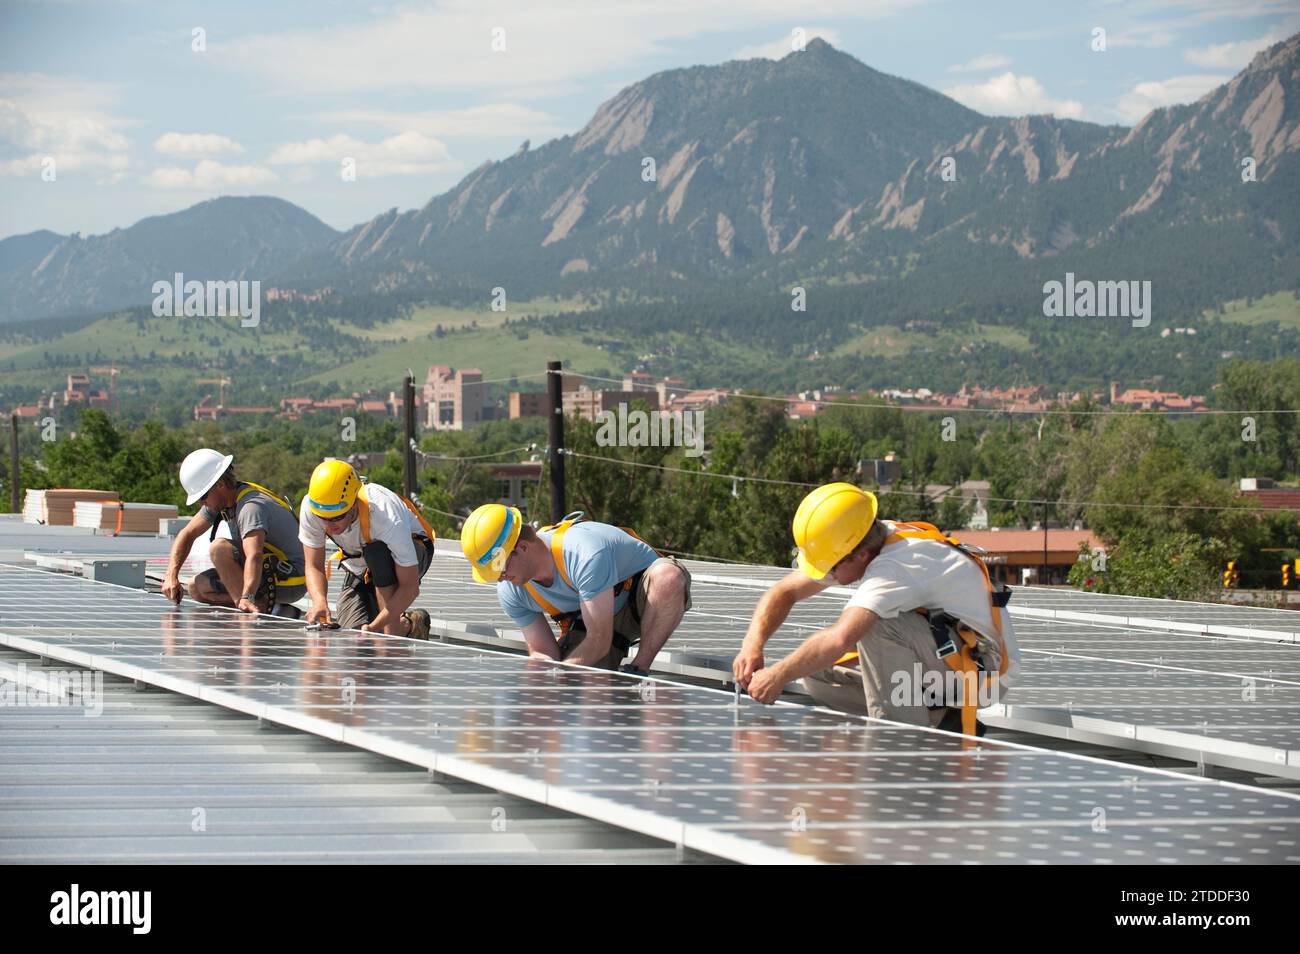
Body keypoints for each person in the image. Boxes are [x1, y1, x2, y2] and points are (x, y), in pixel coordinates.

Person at [733, 482, 1020, 736]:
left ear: (861, 555)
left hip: (984, 673)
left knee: (875, 625)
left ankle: (899, 742)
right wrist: (752, 645)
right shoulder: (862, 535)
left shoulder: (894, 567)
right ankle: (942, 718)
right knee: (816, 673)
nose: (826, 575)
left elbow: (839, 639)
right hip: (947, 657)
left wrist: (777, 675)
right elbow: (784, 591)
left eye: (830, 568)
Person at [459, 505, 690, 673]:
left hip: (641, 600)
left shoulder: (582, 553)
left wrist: (561, 674)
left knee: (668, 577)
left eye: (499, 566)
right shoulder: (512, 590)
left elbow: (599, 640)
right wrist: (540, 680)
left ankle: (638, 670)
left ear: (523, 547)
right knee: (585, 684)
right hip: (591, 616)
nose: (499, 578)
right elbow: (542, 652)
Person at [163, 448, 306, 617]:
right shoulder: (222, 501)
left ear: (220, 484)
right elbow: (187, 534)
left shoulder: (250, 507)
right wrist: (171, 575)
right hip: (267, 573)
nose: (202, 503)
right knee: (196, 588)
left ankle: (251, 605)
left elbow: (255, 556)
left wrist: (247, 596)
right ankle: (277, 610)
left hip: (291, 578)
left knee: (220, 549)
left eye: (203, 496)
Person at [299, 458, 434, 637]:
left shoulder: (384, 514)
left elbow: (409, 587)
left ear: (354, 502)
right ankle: (409, 624)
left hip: (412, 555)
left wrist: (378, 625)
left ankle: (393, 632)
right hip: (361, 564)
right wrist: (319, 601)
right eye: (323, 518)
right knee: (352, 637)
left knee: (377, 554)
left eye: (337, 517)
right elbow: (313, 565)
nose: (329, 525)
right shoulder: (311, 507)